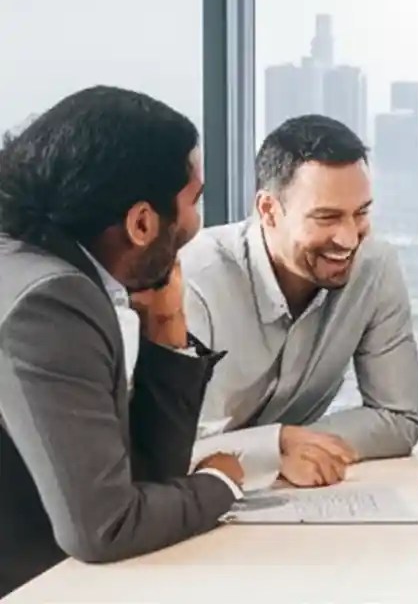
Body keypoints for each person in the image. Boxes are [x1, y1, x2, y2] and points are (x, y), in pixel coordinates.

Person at [0, 87, 244, 596]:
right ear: (141, 223)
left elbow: (141, 481)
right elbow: (104, 526)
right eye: (194, 201)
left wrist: (165, 323)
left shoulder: (26, 264)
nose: (197, 223)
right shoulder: (51, 301)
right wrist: (221, 485)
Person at [182, 115, 418, 488]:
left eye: (361, 213)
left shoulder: (376, 267)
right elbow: (169, 448)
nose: (349, 239)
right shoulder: (195, 279)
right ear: (268, 211)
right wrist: (274, 448)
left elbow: (400, 417)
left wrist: (298, 445)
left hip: (294, 494)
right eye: (326, 217)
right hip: (190, 499)